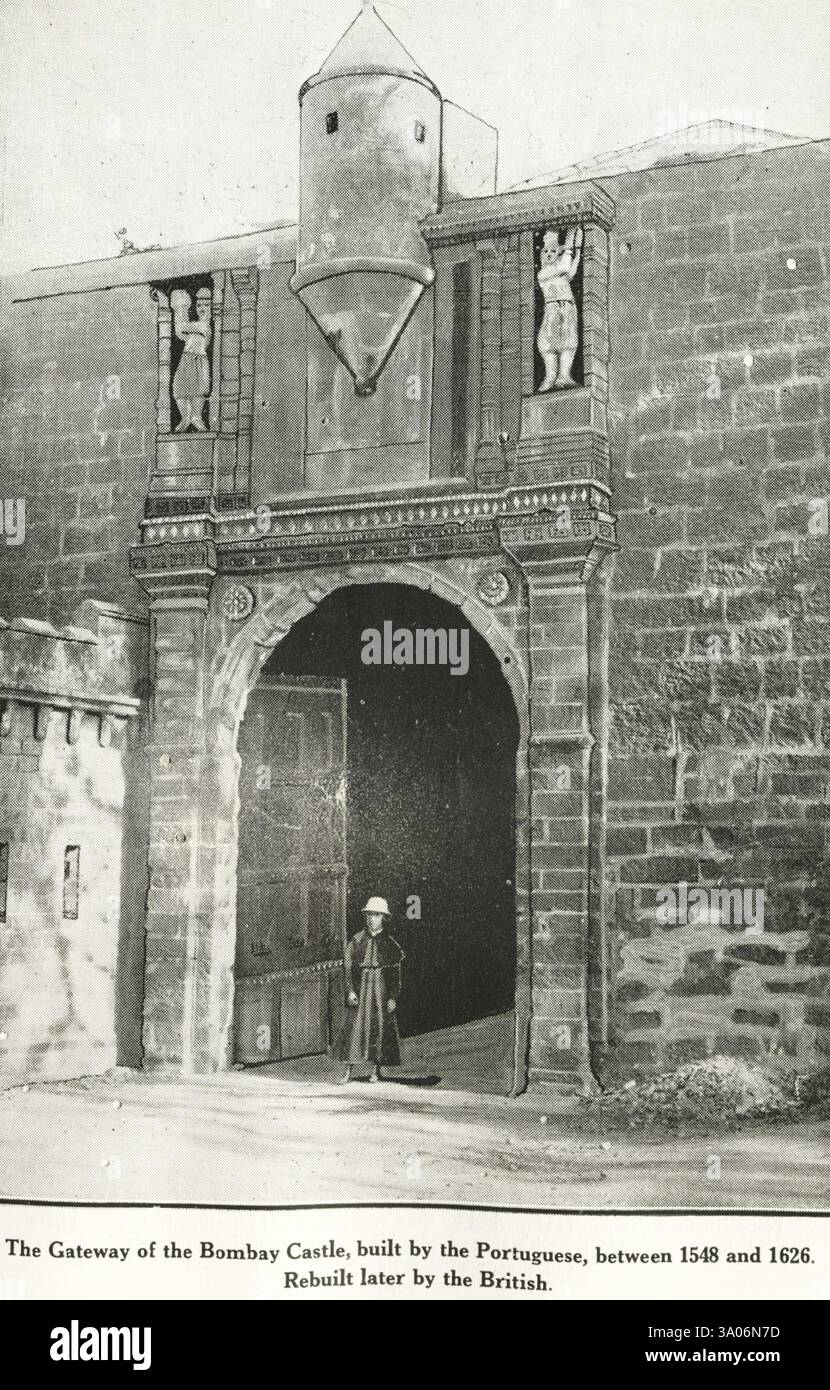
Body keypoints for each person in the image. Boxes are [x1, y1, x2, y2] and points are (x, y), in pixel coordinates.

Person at [333, 896, 405, 1083]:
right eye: (369, 915)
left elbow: (395, 972)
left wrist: (393, 997)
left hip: (380, 989)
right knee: (354, 1028)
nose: (371, 918)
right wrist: (350, 990)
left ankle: (376, 1070)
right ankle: (347, 1072)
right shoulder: (357, 940)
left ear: (383, 917)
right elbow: (348, 968)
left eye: (376, 915)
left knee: (379, 1026)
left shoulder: (389, 942)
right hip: (361, 988)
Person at [537, 225, 583, 391]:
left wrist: (576, 250)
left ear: (557, 254)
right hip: (554, 309)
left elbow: (570, 272)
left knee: (568, 341)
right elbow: (563, 267)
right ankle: (550, 378)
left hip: (568, 308)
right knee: (550, 342)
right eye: (546, 251)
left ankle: (564, 375)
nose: (549, 254)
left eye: (553, 251)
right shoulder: (543, 274)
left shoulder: (559, 273)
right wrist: (569, 242)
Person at [170, 286, 212, 432]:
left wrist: (180, 308)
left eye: (206, 305)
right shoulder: (196, 327)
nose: (202, 308)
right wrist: (180, 309)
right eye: (199, 305)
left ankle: (196, 417)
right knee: (179, 388)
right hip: (187, 359)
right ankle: (186, 417)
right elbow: (182, 334)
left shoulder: (204, 326)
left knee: (199, 389)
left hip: (198, 361)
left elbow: (182, 328)